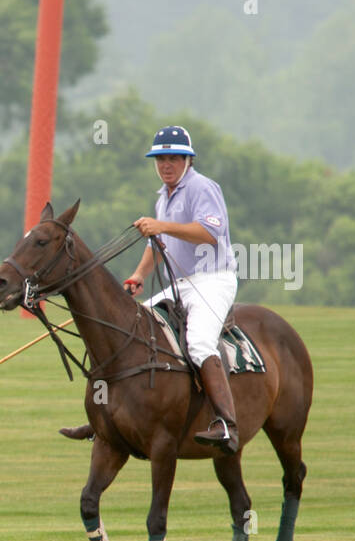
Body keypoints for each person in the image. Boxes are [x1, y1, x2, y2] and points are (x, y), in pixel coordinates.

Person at [63, 125, 241, 454]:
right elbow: (161, 245)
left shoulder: (203, 188)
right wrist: (139, 274)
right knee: (129, 327)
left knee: (200, 343)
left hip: (212, 279)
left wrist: (161, 226)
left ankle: (226, 424)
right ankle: (103, 419)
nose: (166, 165)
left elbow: (208, 233)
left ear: (188, 160)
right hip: (179, 282)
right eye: (160, 159)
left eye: (173, 158)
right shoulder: (164, 196)